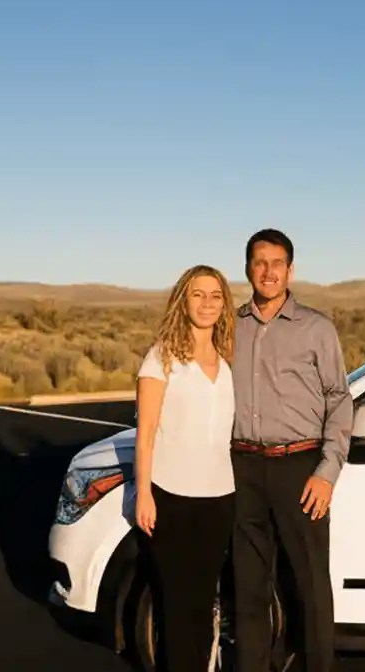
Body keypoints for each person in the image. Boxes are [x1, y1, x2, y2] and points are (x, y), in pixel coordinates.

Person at [230, 228, 353, 672]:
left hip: (300, 469)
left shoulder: (316, 328)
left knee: (309, 588)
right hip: (242, 467)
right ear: (247, 268)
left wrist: (327, 471)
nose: (268, 272)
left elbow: (340, 400)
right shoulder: (230, 327)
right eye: (260, 262)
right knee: (248, 589)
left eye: (276, 263)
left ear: (291, 270)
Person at [133, 263, 238, 672]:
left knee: (202, 602)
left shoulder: (229, 358)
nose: (207, 303)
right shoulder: (161, 358)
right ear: (183, 299)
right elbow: (145, 434)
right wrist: (144, 494)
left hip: (219, 497)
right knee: (175, 605)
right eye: (198, 294)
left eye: (215, 295)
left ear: (224, 304)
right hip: (171, 496)